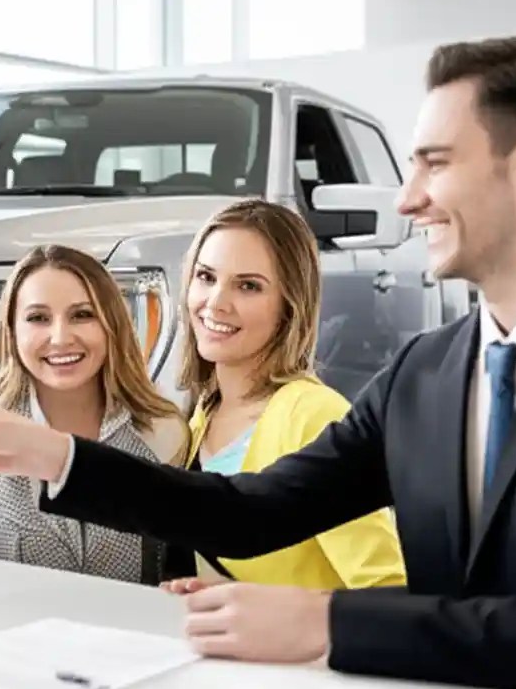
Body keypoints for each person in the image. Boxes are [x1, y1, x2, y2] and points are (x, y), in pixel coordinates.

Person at [0, 34, 516, 689]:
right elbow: (250, 510)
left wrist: (327, 622)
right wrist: (49, 452)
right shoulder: (426, 372)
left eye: (435, 163)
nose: (406, 199)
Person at [0, 244, 187, 585]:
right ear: (12, 331)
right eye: (38, 318)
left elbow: (185, 561)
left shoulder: (164, 431)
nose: (60, 338)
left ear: (112, 325)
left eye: (82, 315)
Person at [160, 199, 404, 591]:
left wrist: (266, 610)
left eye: (248, 286)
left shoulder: (314, 414)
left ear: (289, 307)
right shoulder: (203, 413)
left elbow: (386, 585)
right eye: (206, 277)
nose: (216, 302)